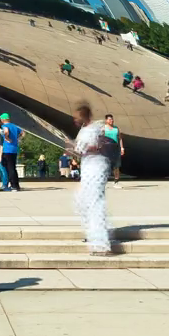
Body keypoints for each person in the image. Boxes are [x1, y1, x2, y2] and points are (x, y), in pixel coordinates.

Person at [70, 106, 115, 255]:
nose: (74, 119)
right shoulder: (84, 130)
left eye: (77, 117)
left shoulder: (96, 128)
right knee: (81, 201)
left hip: (97, 167)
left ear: (84, 116)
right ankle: (96, 234)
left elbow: (99, 145)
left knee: (95, 203)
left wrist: (78, 147)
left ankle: (101, 244)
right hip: (88, 168)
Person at [0, 114, 24, 191]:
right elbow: (23, 133)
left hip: (7, 149)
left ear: (3, 119)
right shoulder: (15, 126)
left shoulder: (4, 126)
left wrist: (7, 138)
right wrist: (18, 139)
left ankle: (13, 185)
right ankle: (16, 185)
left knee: (9, 168)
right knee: (13, 167)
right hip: (14, 149)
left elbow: (6, 132)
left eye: (1, 119)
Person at [103, 114, 124, 181]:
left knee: (116, 166)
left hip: (115, 148)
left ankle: (116, 181)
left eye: (112, 119)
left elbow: (120, 138)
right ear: (106, 120)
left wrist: (122, 148)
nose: (111, 120)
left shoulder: (116, 128)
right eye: (110, 119)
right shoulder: (103, 128)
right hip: (106, 148)